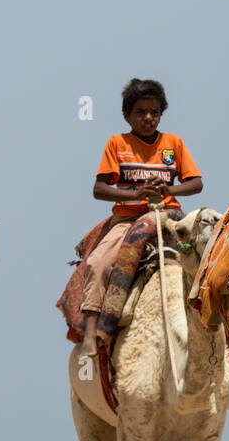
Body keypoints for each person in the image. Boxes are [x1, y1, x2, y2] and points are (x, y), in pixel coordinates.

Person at [79, 79, 204, 357]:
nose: (149, 118)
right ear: (127, 115)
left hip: (170, 217)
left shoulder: (174, 143)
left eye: (154, 112)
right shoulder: (117, 143)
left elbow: (196, 183)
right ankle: (90, 333)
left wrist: (168, 189)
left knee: (213, 253)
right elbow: (99, 189)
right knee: (98, 262)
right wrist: (136, 195)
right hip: (128, 221)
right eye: (141, 112)